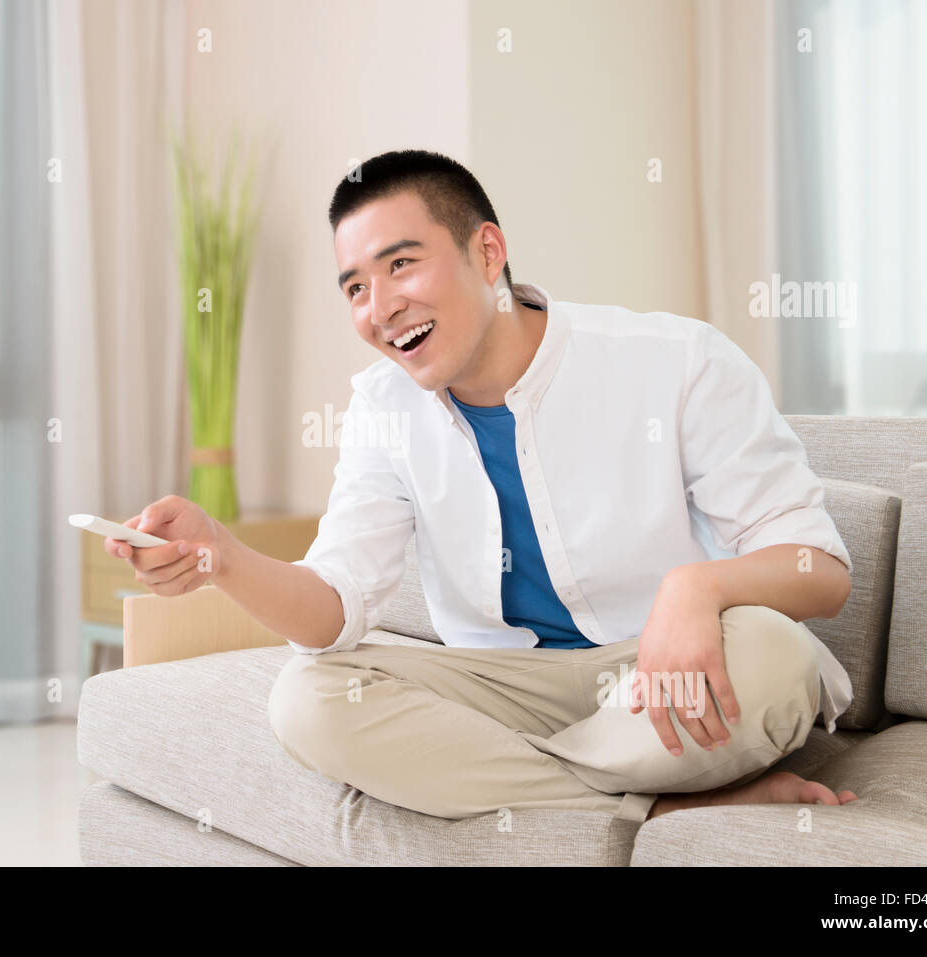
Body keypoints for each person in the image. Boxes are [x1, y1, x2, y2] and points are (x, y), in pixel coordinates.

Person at [104, 149, 858, 825]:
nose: (380, 306)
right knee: (309, 698)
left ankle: (540, 778)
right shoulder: (381, 407)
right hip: (508, 686)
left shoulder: (675, 359)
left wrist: (697, 589)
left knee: (775, 656)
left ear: (487, 250)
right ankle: (653, 800)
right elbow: (332, 608)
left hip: (659, 678)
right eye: (356, 287)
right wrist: (223, 557)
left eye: (402, 265)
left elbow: (818, 570)